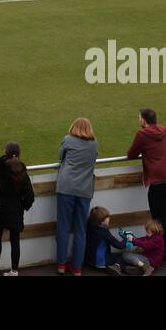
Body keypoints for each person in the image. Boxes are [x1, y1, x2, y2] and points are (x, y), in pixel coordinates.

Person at [126, 108, 166, 266]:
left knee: (159, 222)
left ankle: (165, 256)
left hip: (159, 184)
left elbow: (131, 154)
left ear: (143, 120)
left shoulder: (142, 134)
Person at [55, 117, 98, 275]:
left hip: (67, 188)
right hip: (84, 190)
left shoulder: (68, 139)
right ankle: (77, 268)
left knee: (64, 226)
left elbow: (60, 157)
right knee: (81, 229)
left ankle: (61, 265)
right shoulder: (94, 144)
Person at [0, 141, 36, 276]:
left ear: (5, 152)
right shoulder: (21, 172)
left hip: (0, 209)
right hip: (15, 211)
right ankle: (14, 271)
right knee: (15, 240)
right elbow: (30, 196)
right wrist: (23, 206)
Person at [84, 206, 151, 275]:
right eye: (107, 217)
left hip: (89, 260)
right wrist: (127, 239)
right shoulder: (104, 232)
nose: (109, 218)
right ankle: (117, 266)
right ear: (102, 221)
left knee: (116, 256)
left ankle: (123, 268)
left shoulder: (90, 227)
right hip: (100, 261)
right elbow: (119, 246)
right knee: (122, 256)